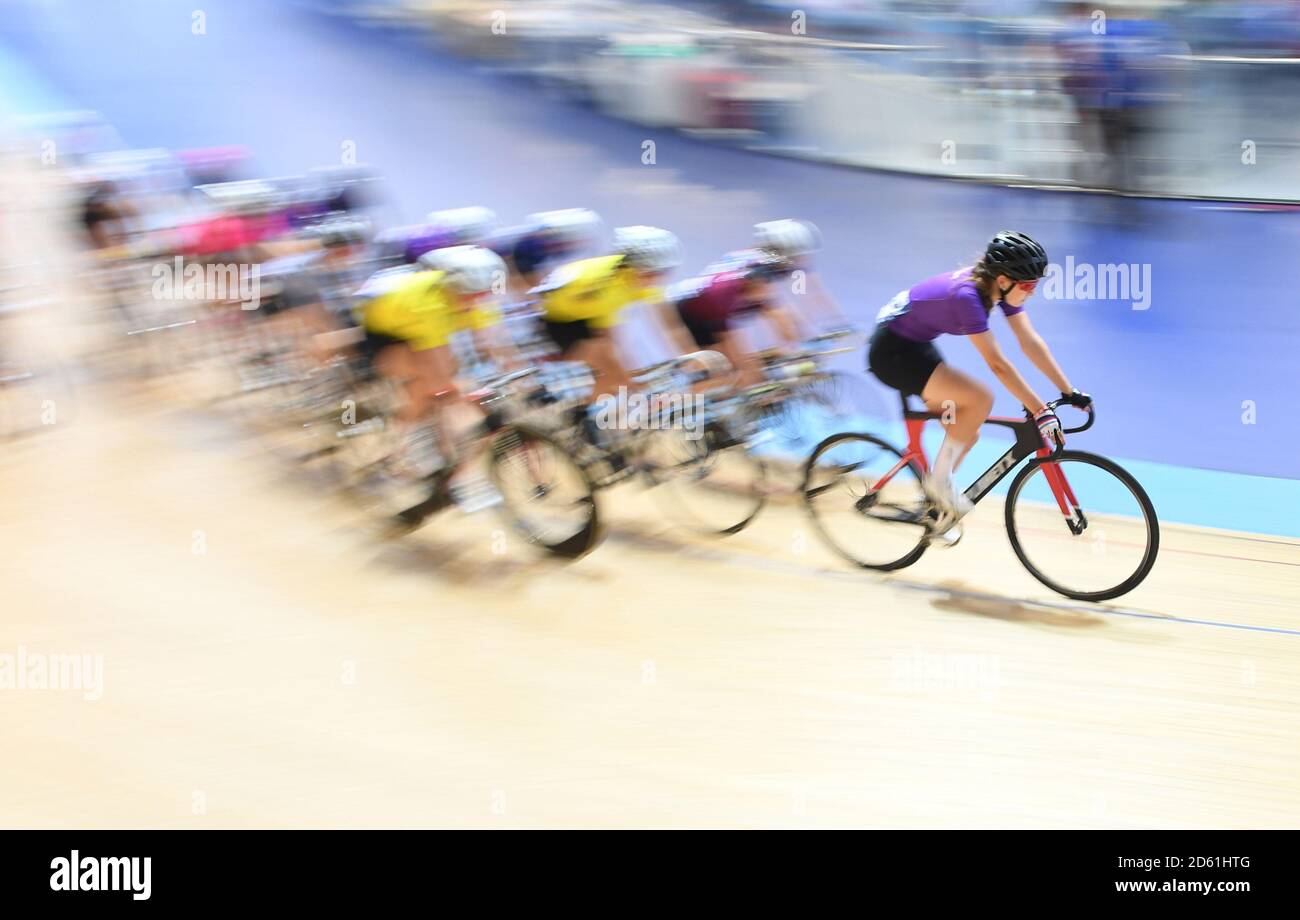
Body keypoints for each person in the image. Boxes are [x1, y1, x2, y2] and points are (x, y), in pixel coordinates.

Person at [868, 231, 1091, 538]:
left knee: (965, 430)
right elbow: (998, 365)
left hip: (914, 342)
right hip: (892, 353)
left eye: (1035, 285)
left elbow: (1030, 343)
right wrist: (1040, 410)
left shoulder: (999, 289)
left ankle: (934, 505)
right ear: (1003, 279)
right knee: (980, 399)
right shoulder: (967, 297)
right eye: (1028, 285)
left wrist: (1069, 391)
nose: (1032, 292)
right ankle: (939, 487)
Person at [352, 244, 519, 521]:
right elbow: (438, 376)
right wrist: (467, 394)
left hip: (414, 326)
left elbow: (493, 342)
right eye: (470, 296)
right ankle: (399, 450)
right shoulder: (427, 304)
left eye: (482, 295)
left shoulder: (469, 295)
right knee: (430, 386)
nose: (477, 301)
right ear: (452, 288)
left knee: (450, 378)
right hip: (385, 332)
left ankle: (433, 451)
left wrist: (517, 372)